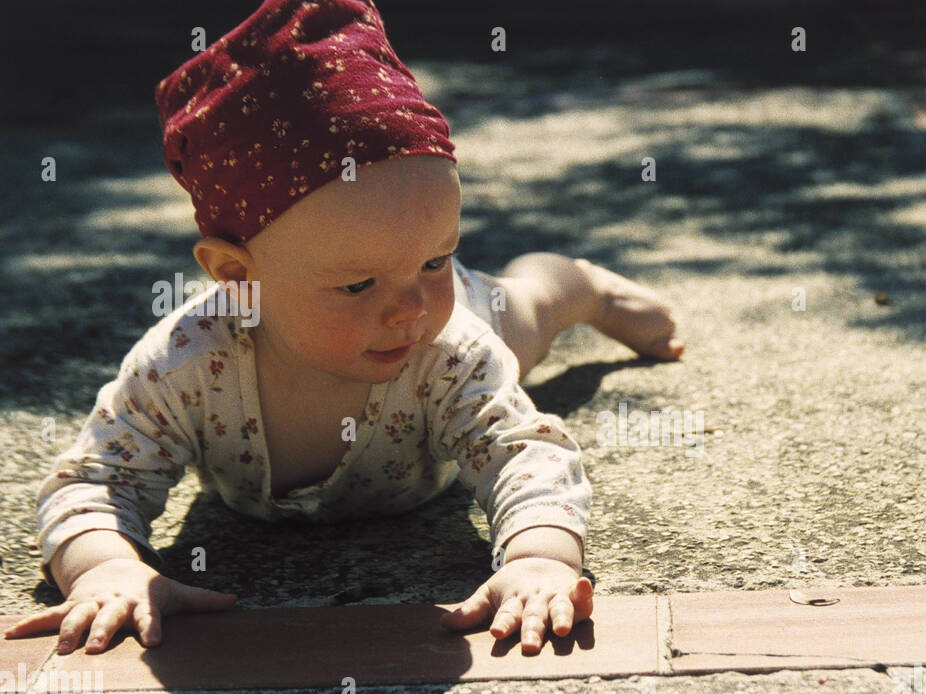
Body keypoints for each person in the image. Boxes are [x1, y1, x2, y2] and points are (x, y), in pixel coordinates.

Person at [3, 0, 681, 657]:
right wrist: (103, 568)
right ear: (237, 278)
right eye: (357, 284)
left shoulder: (448, 342)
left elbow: (524, 452)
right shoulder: (185, 365)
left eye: (434, 257)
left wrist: (540, 558)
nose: (407, 308)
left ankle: (583, 285)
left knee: (529, 307)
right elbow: (92, 481)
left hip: (483, 311)